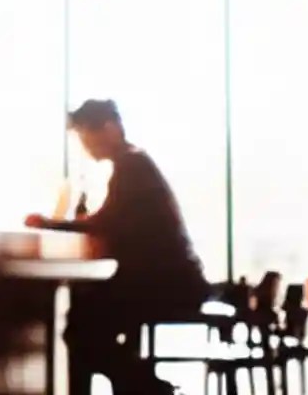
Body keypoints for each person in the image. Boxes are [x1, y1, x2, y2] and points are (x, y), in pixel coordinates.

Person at [25, 99, 208, 395]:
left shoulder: (133, 165)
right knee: (84, 325)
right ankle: (147, 387)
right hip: (167, 281)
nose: (86, 147)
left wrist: (50, 224)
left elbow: (107, 222)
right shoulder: (135, 163)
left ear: (109, 128)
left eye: (87, 137)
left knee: (80, 328)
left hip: (166, 284)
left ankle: (150, 389)